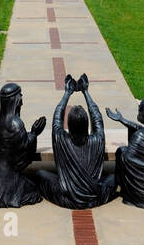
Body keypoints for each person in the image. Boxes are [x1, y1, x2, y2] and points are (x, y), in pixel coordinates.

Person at [31, 74, 116, 209]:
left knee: (40, 174)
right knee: (113, 177)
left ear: (69, 126)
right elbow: (97, 118)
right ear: (86, 125)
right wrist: (86, 91)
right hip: (93, 198)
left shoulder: (61, 139)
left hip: (66, 199)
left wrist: (67, 93)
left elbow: (57, 116)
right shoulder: (97, 140)